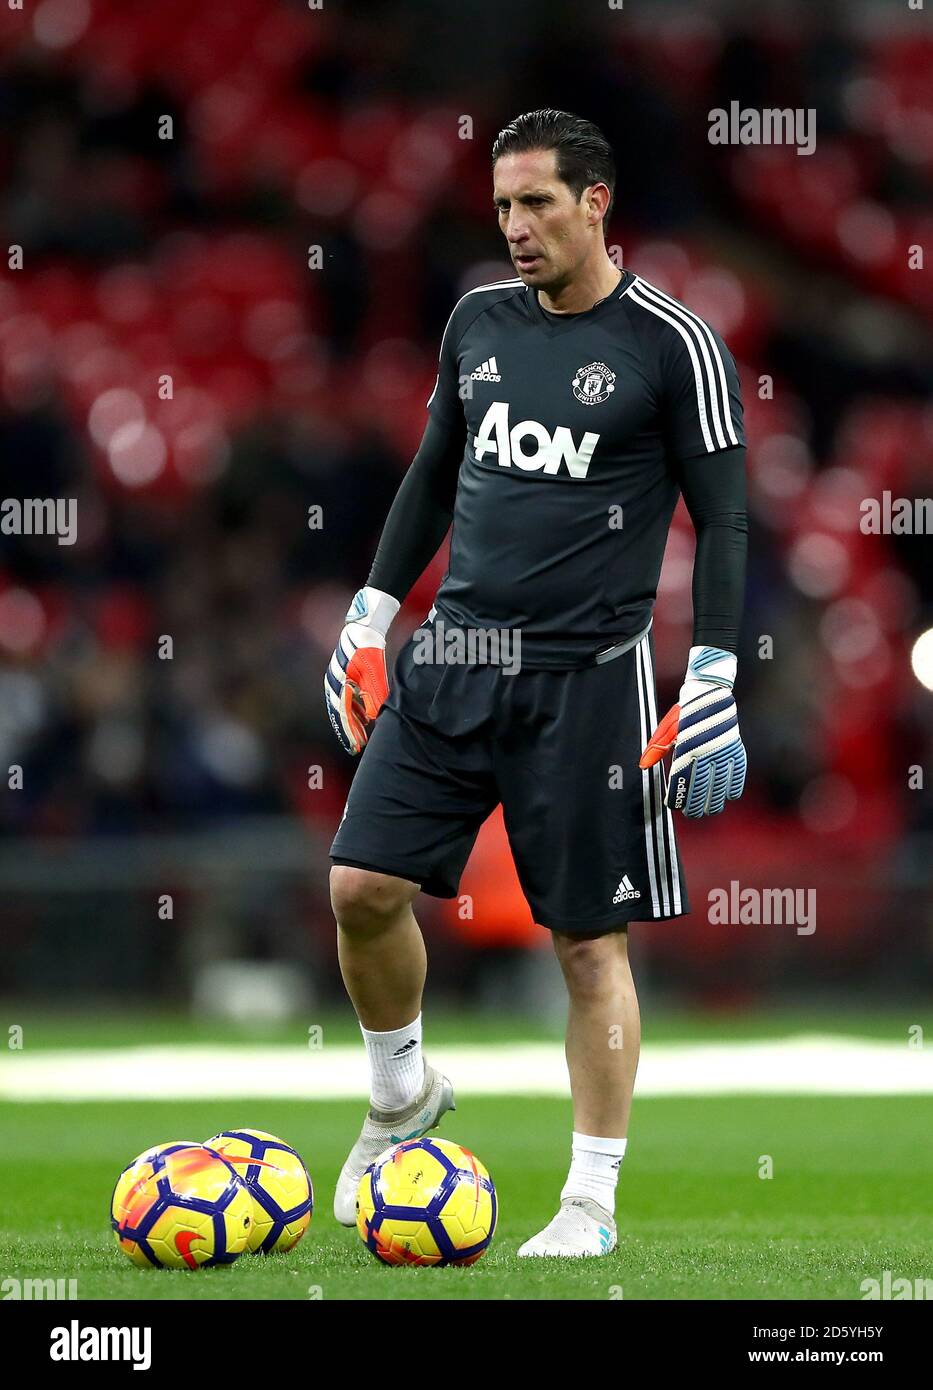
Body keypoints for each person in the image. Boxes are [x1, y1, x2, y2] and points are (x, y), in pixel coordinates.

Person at [324, 108, 748, 1257]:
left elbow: (728, 523)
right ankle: (399, 1095)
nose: (515, 226)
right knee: (361, 887)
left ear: (595, 203)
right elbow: (431, 473)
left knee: (587, 948)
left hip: (591, 683)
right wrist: (369, 612)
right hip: (456, 657)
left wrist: (713, 665)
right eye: (503, 204)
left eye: (538, 204)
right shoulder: (477, 320)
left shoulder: (672, 343)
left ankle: (590, 1203)